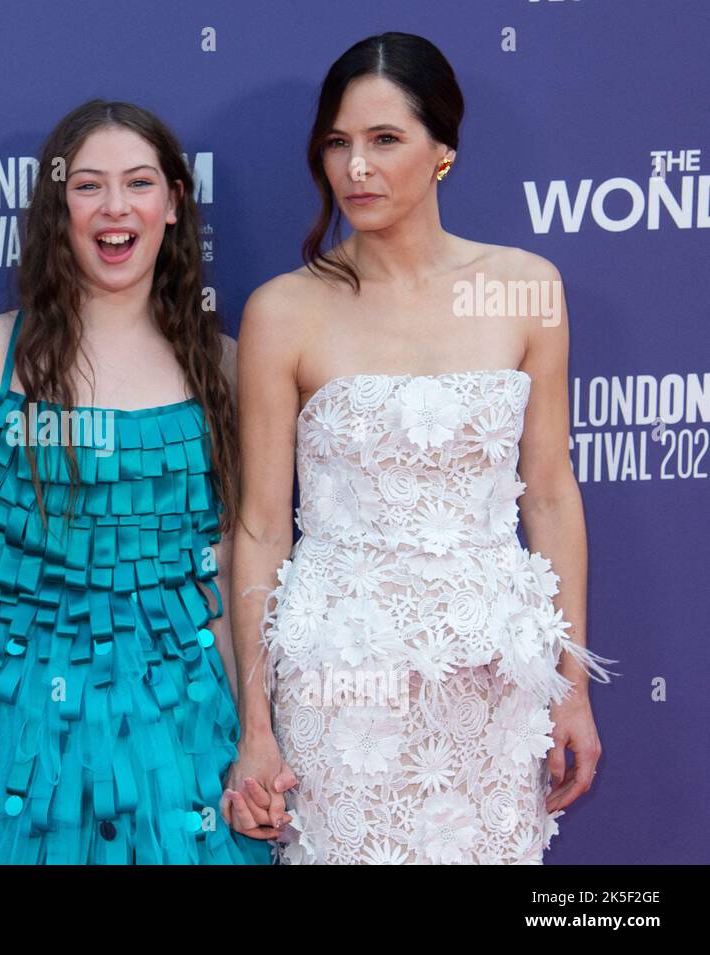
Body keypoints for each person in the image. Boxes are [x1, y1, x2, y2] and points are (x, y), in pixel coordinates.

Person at [226, 32, 616, 864]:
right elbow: (261, 528)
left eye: (384, 140)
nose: (355, 168)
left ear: (443, 151)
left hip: (491, 682)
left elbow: (548, 493)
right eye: (337, 143)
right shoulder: (284, 311)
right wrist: (255, 724)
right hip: (340, 689)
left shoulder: (527, 287)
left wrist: (570, 685)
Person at [0, 99, 270, 864]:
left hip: (178, 718)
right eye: (88, 185)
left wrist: (253, 733)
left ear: (173, 205)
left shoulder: (224, 362)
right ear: (57, 206)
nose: (115, 207)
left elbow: (226, 568)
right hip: (11, 716)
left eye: (138, 183)